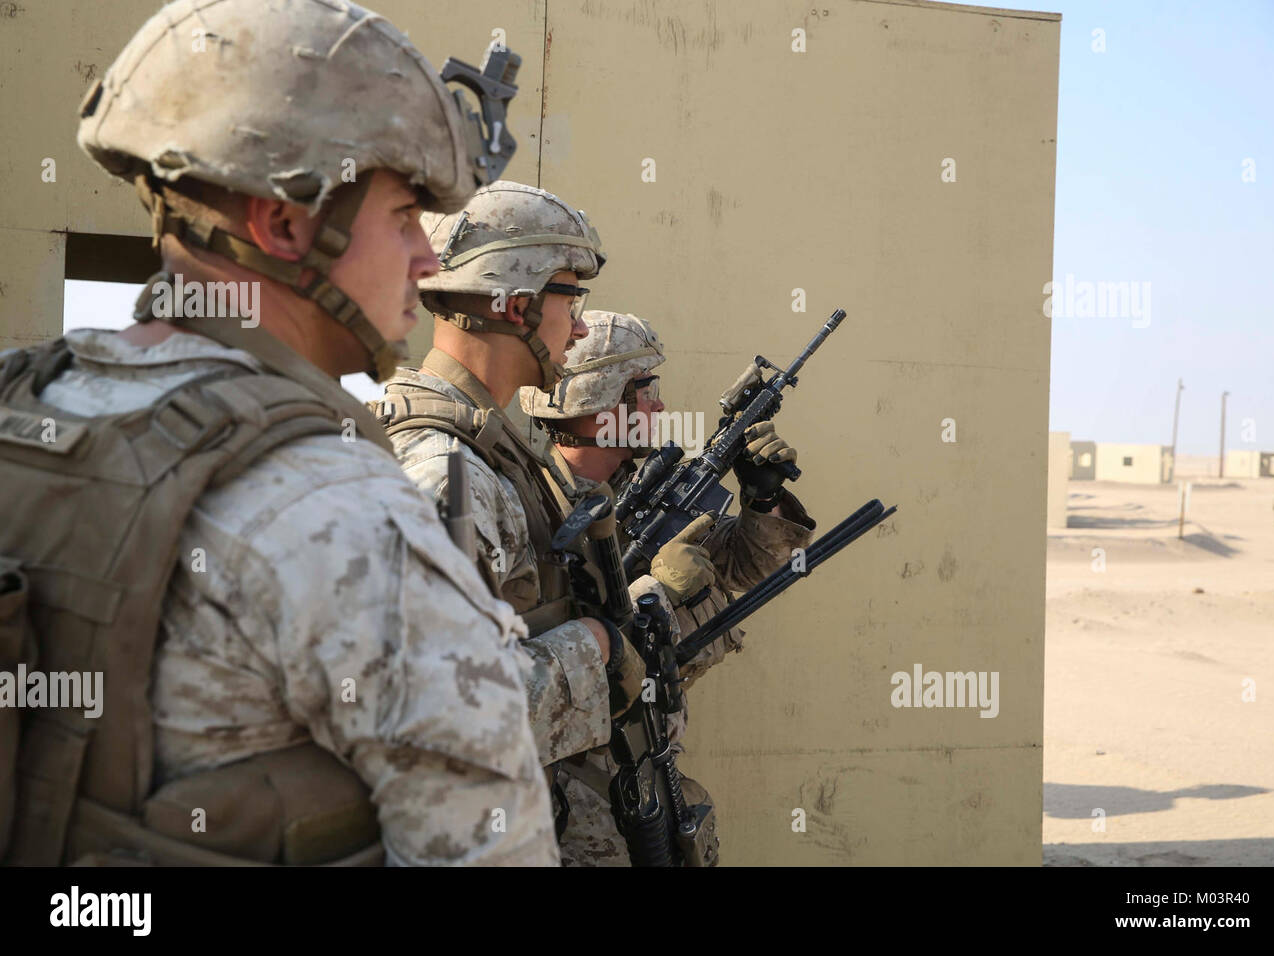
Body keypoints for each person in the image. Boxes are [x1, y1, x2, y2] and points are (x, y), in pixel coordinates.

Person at [0, 0, 567, 866]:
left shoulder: (21, 400)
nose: (427, 257)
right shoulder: (337, 508)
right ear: (286, 221)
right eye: (405, 215)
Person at [371, 184, 705, 831]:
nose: (580, 325)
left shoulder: (486, 454)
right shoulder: (445, 474)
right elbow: (436, 725)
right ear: (516, 300)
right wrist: (596, 643)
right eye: (568, 295)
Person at [519, 310, 818, 865]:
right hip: (566, 793)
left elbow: (758, 564)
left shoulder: (644, 488)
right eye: (643, 390)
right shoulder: (529, 508)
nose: (659, 405)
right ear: (598, 397)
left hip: (649, 768)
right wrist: (654, 592)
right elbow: (536, 660)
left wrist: (762, 496)